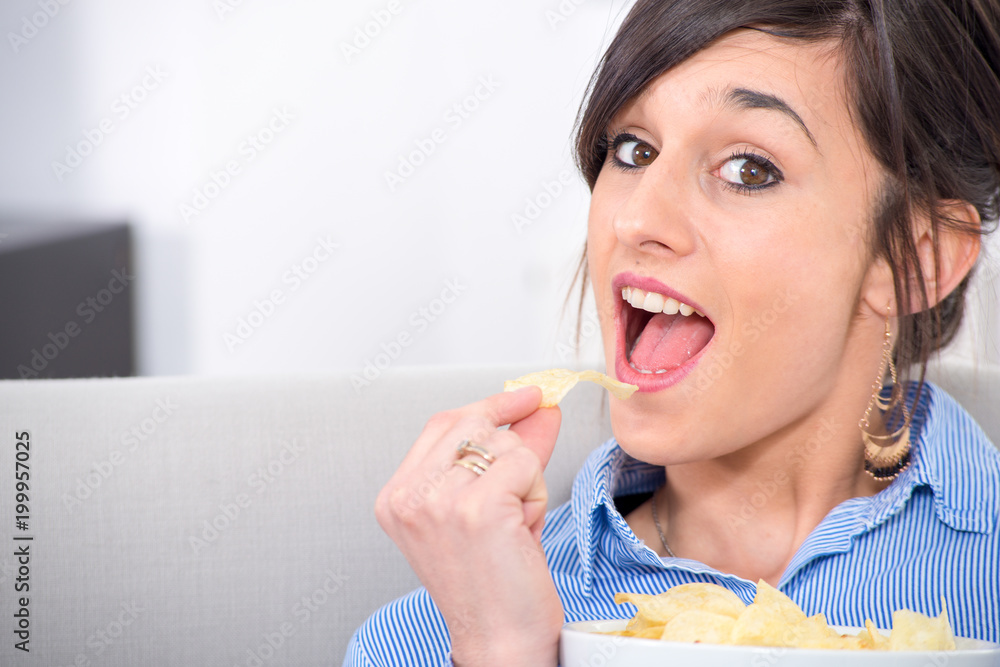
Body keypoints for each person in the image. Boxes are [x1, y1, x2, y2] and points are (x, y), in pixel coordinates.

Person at [345, 0, 1000, 664]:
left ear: (917, 256)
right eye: (634, 150)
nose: (636, 219)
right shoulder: (436, 638)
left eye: (748, 170)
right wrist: (506, 651)